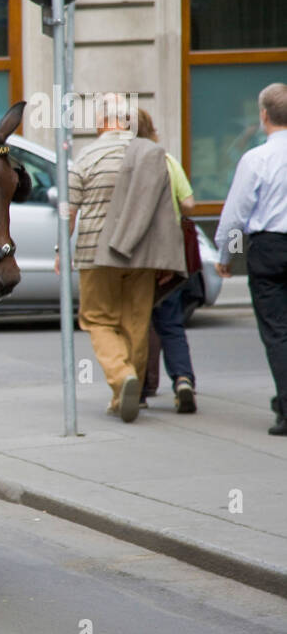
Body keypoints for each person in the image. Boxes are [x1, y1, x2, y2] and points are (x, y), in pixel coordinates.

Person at [58, 92, 185, 422]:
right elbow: (169, 210)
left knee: (98, 320)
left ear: (101, 123)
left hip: (95, 254)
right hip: (142, 255)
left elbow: (68, 212)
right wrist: (168, 260)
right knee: (136, 323)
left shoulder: (86, 158)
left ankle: (121, 377)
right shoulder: (154, 155)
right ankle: (126, 394)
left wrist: (61, 250)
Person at [215, 82, 287, 435]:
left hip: (269, 249)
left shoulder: (256, 158)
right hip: (271, 247)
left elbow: (235, 217)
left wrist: (228, 256)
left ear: (263, 115)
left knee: (278, 332)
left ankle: (286, 407)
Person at [135, 108, 198, 413]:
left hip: (137, 257)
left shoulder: (129, 162)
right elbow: (189, 204)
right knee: (171, 323)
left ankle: (140, 390)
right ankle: (183, 380)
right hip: (169, 256)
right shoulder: (167, 160)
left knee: (136, 322)